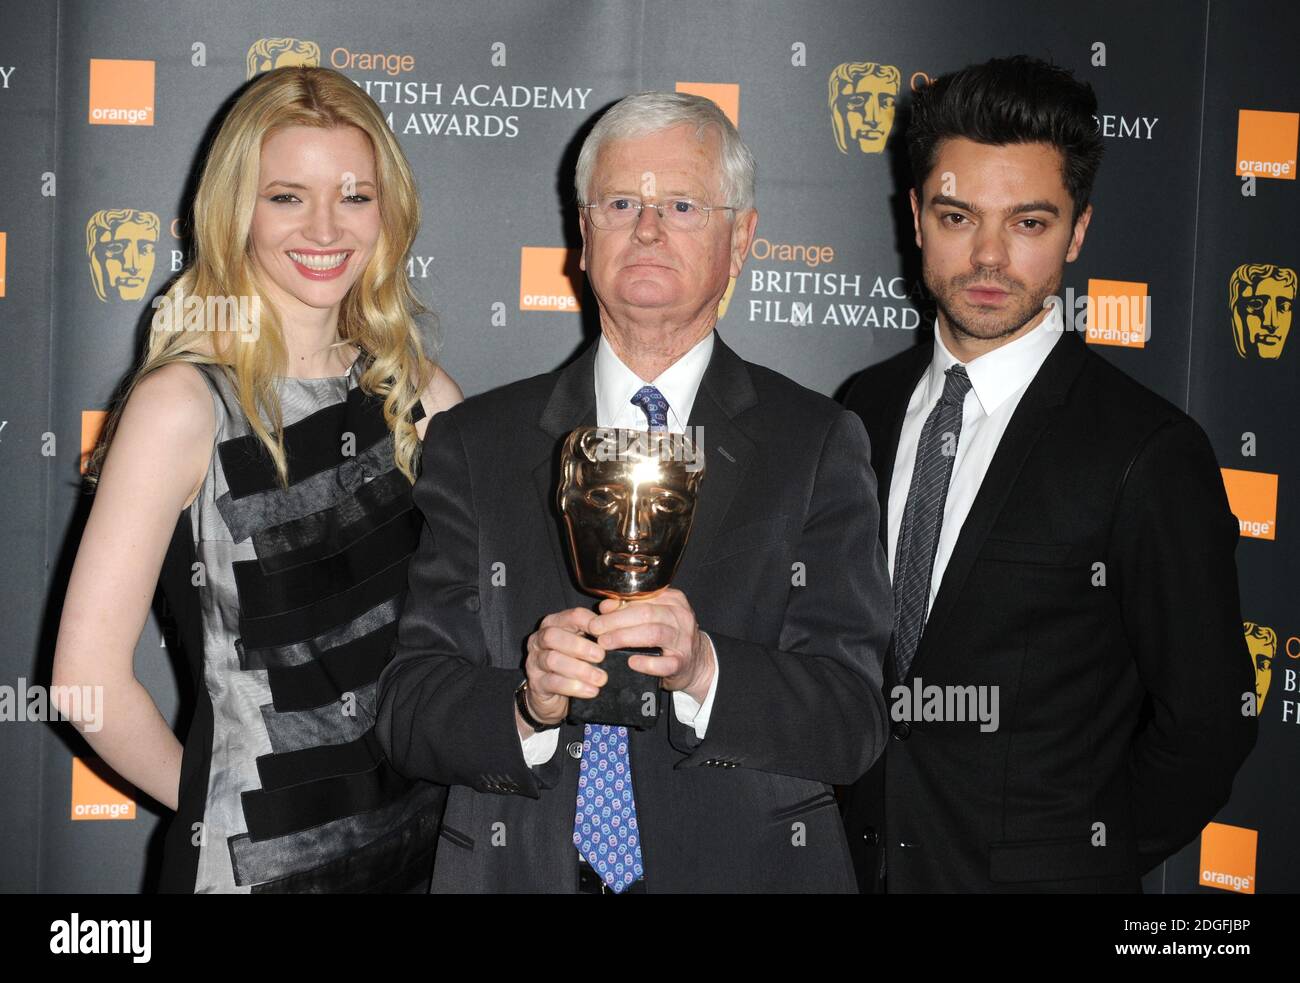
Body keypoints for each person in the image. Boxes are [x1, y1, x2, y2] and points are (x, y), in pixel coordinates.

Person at [375, 91, 893, 893]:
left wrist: (705, 671)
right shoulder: (476, 443)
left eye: (681, 204)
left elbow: (853, 719)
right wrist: (526, 702)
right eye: (622, 203)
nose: (647, 228)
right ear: (585, 236)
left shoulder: (817, 443)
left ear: (742, 239)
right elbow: (410, 708)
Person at [838, 56, 1258, 892]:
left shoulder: (1147, 449)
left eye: (1029, 222)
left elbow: (1206, 727)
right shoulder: (862, 409)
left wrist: (1075, 863)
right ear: (916, 217)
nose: (989, 256)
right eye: (958, 216)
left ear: (1077, 231)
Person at [52, 66, 462, 893]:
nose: (324, 226)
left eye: (353, 195)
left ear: (388, 211)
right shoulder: (185, 406)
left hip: (422, 861)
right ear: (236, 209)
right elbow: (84, 681)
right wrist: (214, 806)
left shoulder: (418, 392)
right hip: (256, 872)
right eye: (286, 196)